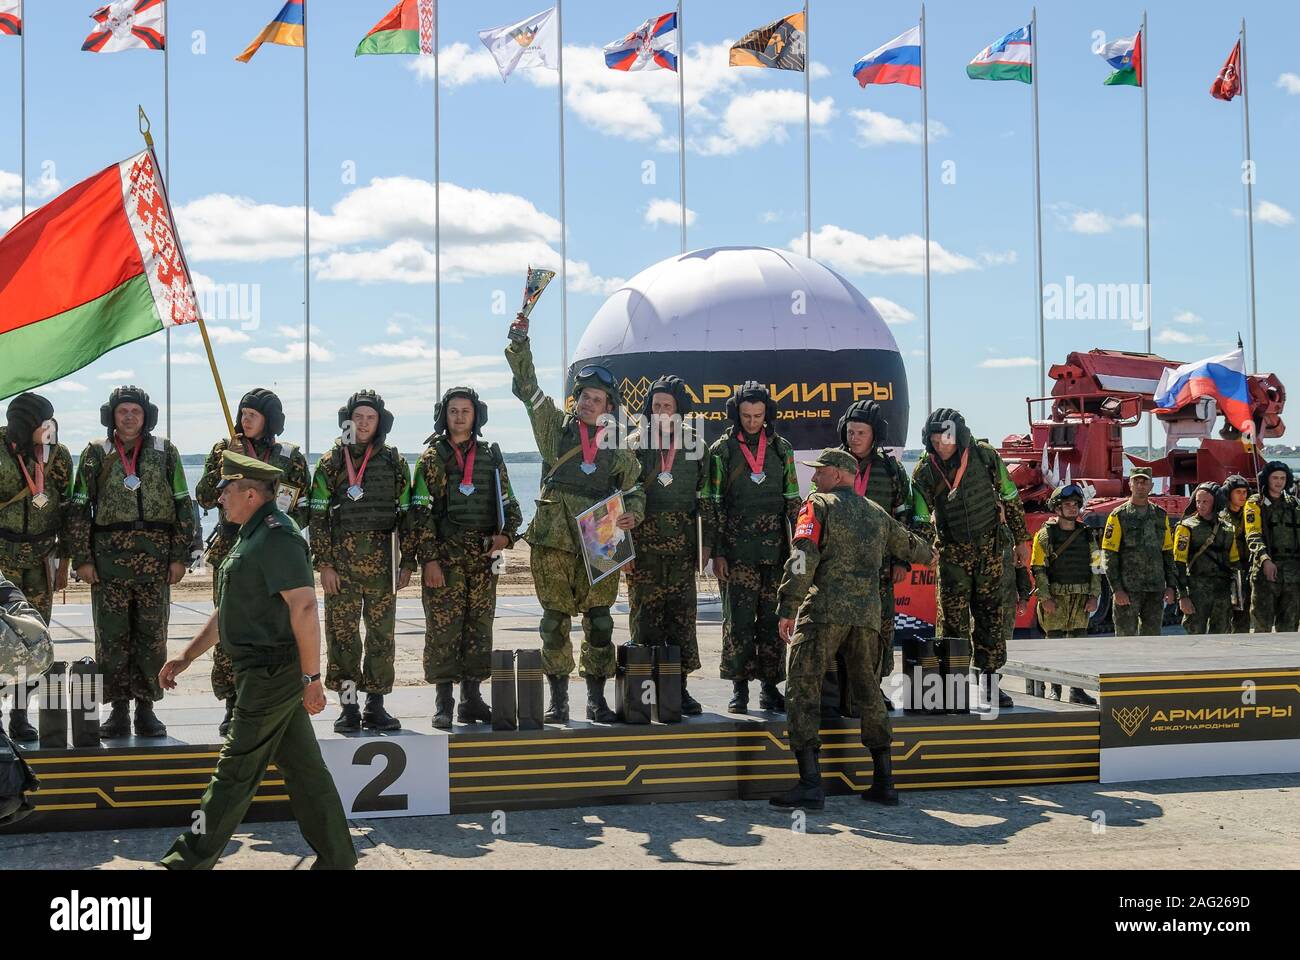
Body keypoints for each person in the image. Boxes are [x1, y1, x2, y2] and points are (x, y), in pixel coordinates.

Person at [159, 452, 356, 870]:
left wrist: (312, 678)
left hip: (272, 673)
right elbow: (228, 609)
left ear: (250, 494)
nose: (220, 498)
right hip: (258, 672)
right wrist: (186, 655)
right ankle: (338, 859)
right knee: (306, 773)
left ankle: (182, 863)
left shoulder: (277, 537)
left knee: (233, 773)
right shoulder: (250, 537)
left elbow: (303, 607)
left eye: (226, 490)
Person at [771, 449, 935, 811]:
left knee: (802, 687)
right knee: (869, 692)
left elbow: (802, 556)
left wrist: (788, 606)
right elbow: (913, 547)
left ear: (839, 473)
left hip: (823, 611)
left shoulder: (818, 506)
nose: (814, 479)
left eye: (820, 472)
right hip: (867, 616)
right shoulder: (875, 512)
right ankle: (884, 781)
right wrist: (930, 553)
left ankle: (810, 784)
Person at [506, 313, 645, 723]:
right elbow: (528, 388)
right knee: (554, 622)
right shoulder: (553, 429)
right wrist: (519, 343)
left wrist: (633, 514)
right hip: (553, 540)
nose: (587, 402)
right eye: (584, 395)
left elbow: (634, 489)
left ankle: (596, 699)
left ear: (608, 408)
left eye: (596, 398)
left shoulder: (619, 448)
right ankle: (559, 698)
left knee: (600, 622)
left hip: (601, 535)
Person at [66, 386, 194, 738]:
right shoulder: (95, 453)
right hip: (109, 561)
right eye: (122, 411)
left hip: (155, 559)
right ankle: (118, 710)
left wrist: (180, 556)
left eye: (135, 411)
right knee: (111, 637)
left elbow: (184, 504)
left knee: (152, 637)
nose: (128, 417)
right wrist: (83, 559)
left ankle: (146, 708)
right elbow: (79, 509)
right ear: (112, 415)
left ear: (145, 415)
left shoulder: (164, 451)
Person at [194, 389, 310, 736]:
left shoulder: (289, 457)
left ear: (269, 420)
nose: (244, 420)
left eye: (252, 415)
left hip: (274, 553)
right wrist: (224, 464)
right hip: (233, 550)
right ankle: (232, 703)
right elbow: (204, 497)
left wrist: (278, 533)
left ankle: (276, 698)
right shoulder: (224, 450)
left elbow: (304, 506)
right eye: (242, 413)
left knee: (274, 626)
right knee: (230, 626)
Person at [410, 386, 522, 729]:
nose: (459, 417)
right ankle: (444, 701)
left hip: (484, 560)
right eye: (454, 411)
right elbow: (420, 513)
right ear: (444, 415)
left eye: (466, 411)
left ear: (477, 416)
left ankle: (471, 699)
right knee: (443, 630)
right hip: (445, 560)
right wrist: (428, 560)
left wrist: (506, 535)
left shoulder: (491, 455)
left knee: (479, 630)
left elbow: (508, 502)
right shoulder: (432, 458)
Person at [309, 390, 415, 733]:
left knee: (381, 638)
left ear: (379, 422)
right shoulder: (330, 463)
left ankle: (376, 706)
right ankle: (349, 708)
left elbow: (408, 515)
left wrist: (407, 562)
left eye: (370, 418)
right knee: (344, 639)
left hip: (383, 567)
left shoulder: (395, 463)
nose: (364, 423)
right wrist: (324, 564)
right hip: (342, 569)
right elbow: (318, 517)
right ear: (348, 421)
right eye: (358, 418)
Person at [910, 408, 1029, 708]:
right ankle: (952, 688)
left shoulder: (985, 457)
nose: (941, 445)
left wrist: (1022, 540)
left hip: (990, 550)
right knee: (952, 623)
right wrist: (925, 550)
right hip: (952, 556)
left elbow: (1011, 497)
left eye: (946, 439)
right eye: (935, 440)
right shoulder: (924, 471)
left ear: (959, 436)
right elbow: (921, 516)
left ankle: (990, 682)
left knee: (991, 618)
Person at [704, 381, 801, 714]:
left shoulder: (781, 450)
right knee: (738, 623)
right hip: (736, 554)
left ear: (766, 414)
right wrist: (716, 553)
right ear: (736, 414)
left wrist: (800, 550)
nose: (752, 421)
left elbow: (792, 502)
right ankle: (739, 688)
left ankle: (770, 688)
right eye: (746, 415)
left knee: (773, 625)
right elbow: (713, 505)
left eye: (758, 415)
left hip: (775, 555)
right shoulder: (722, 450)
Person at [625, 376, 711, 716]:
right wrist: (621, 553)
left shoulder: (696, 447)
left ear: (679, 411)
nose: (661, 412)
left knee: (681, 622)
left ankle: (679, 690)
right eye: (656, 406)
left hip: (682, 553)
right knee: (645, 621)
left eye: (667, 406)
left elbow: (707, 502)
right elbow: (618, 501)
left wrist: (707, 546)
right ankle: (644, 693)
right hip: (642, 554)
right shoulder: (632, 446)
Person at [821, 399, 912, 717]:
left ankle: (870, 691)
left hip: (880, 572)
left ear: (875, 435)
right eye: (851, 431)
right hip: (838, 573)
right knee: (836, 634)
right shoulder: (830, 466)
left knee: (878, 634)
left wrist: (902, 561)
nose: (855, 437)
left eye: (861, 432)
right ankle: (837, 696)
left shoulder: (891, 470)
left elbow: (906, 519)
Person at [0, 393, 72, 739]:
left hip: (41, 559)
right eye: (41, 423)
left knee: (35, 637)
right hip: (2, 558)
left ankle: (19, 715)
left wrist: (65, 562)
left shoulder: (57, 455)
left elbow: (71, 509)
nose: (48, 429)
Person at [1030, 484, 1100, 704]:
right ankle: (1055, 689)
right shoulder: (1044, 535)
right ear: (1057, 508)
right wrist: (1045, 598)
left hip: (1080, 600)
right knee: (1055, 646)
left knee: (1079, 648)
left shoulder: (1088, 534)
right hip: (1056, 600)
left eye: (1075, 505)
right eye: (1067, 505)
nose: (1072, 508)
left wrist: (1094, 595)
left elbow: (1097, 565)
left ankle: (1077, 691)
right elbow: (1038, 567)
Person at [1100, 467, 1176, 636]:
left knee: (1152, 638)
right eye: (1137, 481)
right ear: (1130, 484)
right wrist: (1117, 589)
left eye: (1145, 482)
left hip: (1155, 590)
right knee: (1125, 639)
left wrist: (1171, 586)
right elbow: (1109, 555)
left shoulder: (1160, 515)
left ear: (1151, 486)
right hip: (1128, 590)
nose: (1141, 485)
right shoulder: (1118, 515)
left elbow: (1168, 553)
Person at [1244, 460, 1300, 633]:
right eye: (1275, 477)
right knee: (1262, 624)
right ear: (1266, 479)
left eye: (1282, 478)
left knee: (1290, 625)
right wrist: (1265, 559)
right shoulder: (1255, 503)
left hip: (1293, 574)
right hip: (1265, 573)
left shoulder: (1294, 504)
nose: (1279, 482)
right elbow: (1252, 534)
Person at [1174, 482, 1234, 635]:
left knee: (1221, 635)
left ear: (1216, 502)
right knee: (1195, 636)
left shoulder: (1227, 528)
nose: (1200, 505)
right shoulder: (1186, 527)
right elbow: (1178, 564)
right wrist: (1183, 596)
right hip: (1197, 591)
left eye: (1205, 501)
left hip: (1222, 591)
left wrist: (1237, 593)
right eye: (1198, 501)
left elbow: (1235, 562)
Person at [1219, 475, 1252, 632]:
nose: (1242, 496)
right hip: (1227, 572)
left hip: (1246, 570)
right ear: (1228, 494)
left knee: (1243, 617)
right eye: (1238, 492)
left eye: (1245, 492)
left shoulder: (1251, 515)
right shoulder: (1220, 518)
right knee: (1224, 618)